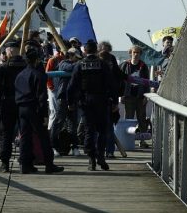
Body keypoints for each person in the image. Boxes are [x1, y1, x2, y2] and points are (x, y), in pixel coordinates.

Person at [69, 40, 118, 171]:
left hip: (85, 102)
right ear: (96, 51)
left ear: (85, 51)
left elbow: (72, 85)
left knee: (89, 130)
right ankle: (101, 156)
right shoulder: (103, 64)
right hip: (102, 101)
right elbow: (112, 84)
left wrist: (70, 102)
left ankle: (91, 159)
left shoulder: (79, 65)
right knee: (102, 131)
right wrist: (115, 101)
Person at [14, 47, 64, 175]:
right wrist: (44, 115)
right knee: (43, 137)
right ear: (36, 60)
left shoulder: (20, 75)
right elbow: (42, 97)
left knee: (25, 137)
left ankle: (25, 164)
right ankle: (49, 164)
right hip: (34, 108)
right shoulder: (39, 75)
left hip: (21, 107)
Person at [0, 40, 25, 172]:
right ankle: (24, 161)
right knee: (24, 133)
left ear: (10, 50)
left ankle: (5, 163)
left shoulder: (3, 68)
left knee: (6, 134)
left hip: (7, 102)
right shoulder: (26, 66)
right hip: (23, 103)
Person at [51, 47, 82, 155]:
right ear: (71, 55)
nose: (77, 60)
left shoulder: (75, 65)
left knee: (73, 124)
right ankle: (53, 146)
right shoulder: (63, 63)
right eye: (76, 57)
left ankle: (74, 146)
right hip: (63, 97)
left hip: (73, 97)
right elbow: (68, 68)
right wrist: (79, 65)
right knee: (59, 122)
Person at [120, 45, 150, 148]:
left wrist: (146, 96)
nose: (136, 54)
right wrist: (121, 95)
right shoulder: (124, 65)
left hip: (140, 96)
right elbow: (121, 82)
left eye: (138, 53)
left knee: (142, 119)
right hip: (128, 96)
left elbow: (147, 82)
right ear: (130, 53)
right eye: (134, 52)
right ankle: (128, 139)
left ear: (140, 54)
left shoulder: (143, 66)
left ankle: (142, 141)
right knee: (129, 118)